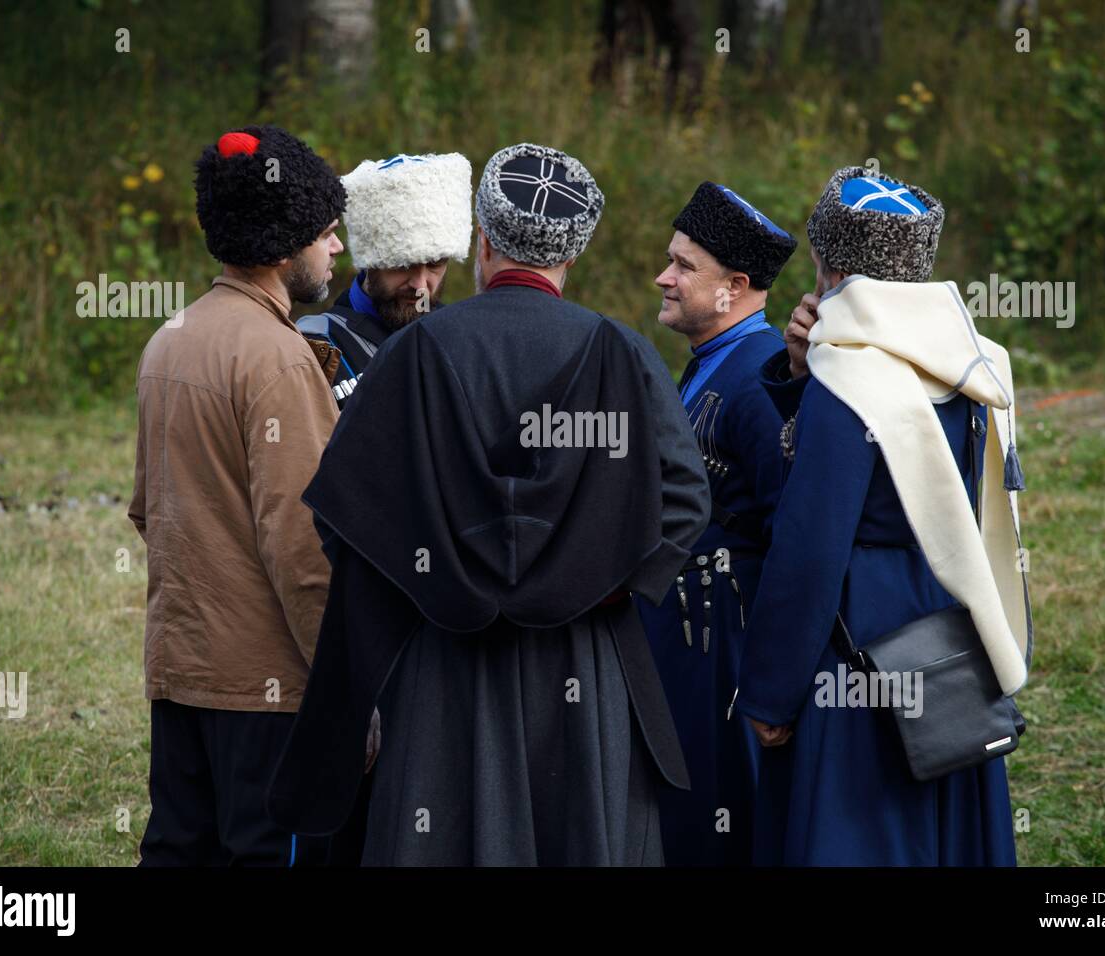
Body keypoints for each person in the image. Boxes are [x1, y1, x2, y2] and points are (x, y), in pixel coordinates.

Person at [267, 142, 712, 866]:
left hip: (441, 661)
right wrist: (597, 584)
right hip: (584, 669)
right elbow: (686, 503)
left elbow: (341, 511)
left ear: (483, 241)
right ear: (573, 255)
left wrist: (427, 584)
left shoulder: (415, 350)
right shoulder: (624, 354)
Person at [735, 166, 1032, 866]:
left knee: (862, 829)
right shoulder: (974, 361)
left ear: (829, 265)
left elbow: (809, 552)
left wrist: (770, 695)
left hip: (860, 642)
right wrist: (806, 373)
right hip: (946, 624)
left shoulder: (852, 380)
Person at [127, 125, 346, 865]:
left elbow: (145, 510)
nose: (337, 249)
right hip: (266, 694)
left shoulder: (169, 340)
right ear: (286, 249)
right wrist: (343, 691)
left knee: (179, 851)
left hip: (179, 671)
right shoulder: (281, 361)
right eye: (326, 232)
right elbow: (303, 547)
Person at [635, 182, 795, 866]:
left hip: (724, 650)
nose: (663, 278)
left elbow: (791, 535)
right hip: (689, 644)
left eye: (683, 267)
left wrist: (772, 682)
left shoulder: (761, 382)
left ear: (734, 286)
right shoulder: (712, 363)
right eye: (670, 260)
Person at [299, 152, 473, 406]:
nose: (420, 285)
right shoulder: (316, 345)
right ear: (371, 259)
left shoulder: (464, 337)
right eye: (403, 265)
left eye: (435, 264)